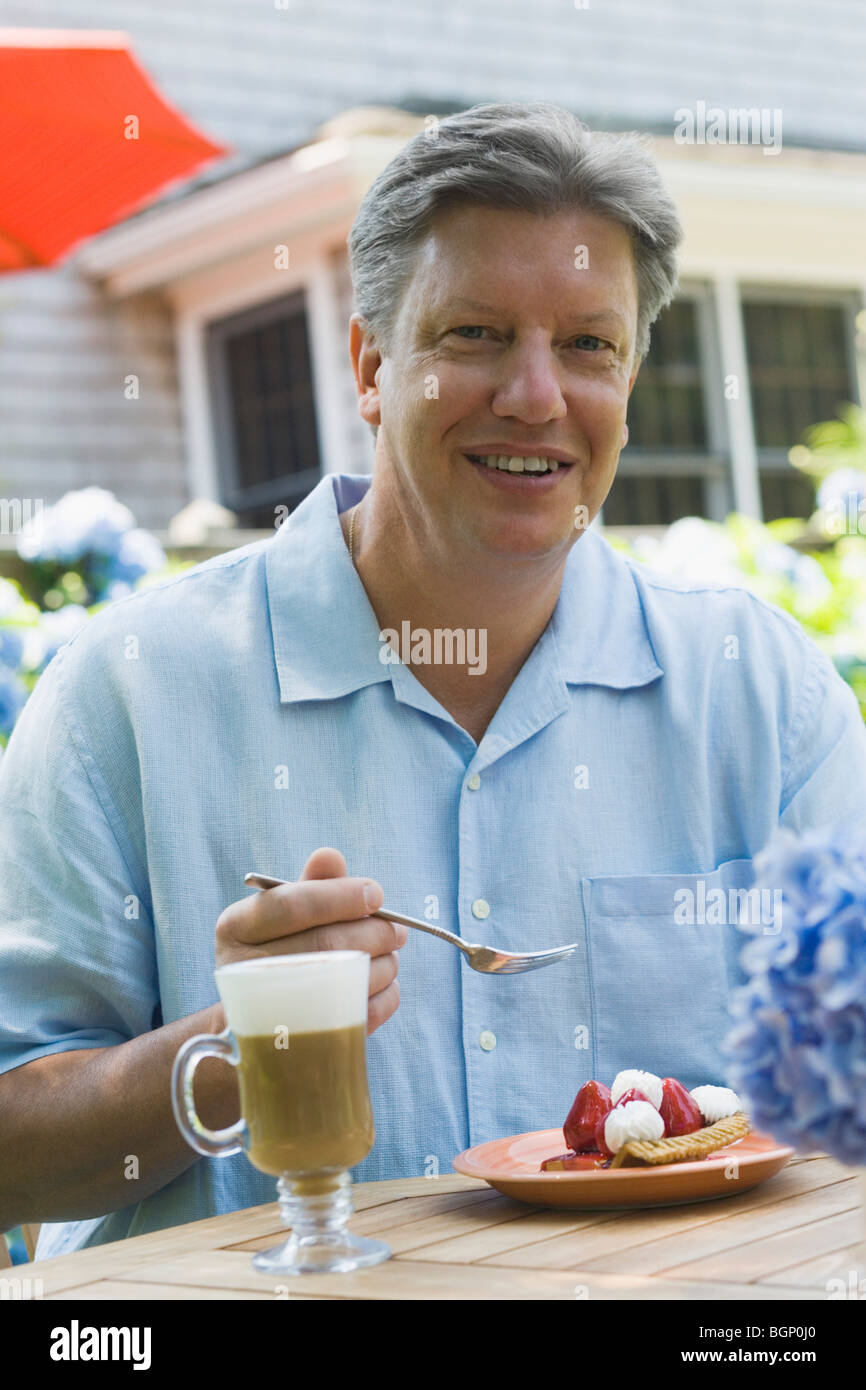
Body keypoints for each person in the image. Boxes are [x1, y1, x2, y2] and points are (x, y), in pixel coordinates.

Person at [2, 102, 865, 1261]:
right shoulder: (131, 692)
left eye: (587, 345)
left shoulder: (760, 692)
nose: (533, 395)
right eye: (472, 334)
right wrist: (233, 1045)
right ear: (370, 364)